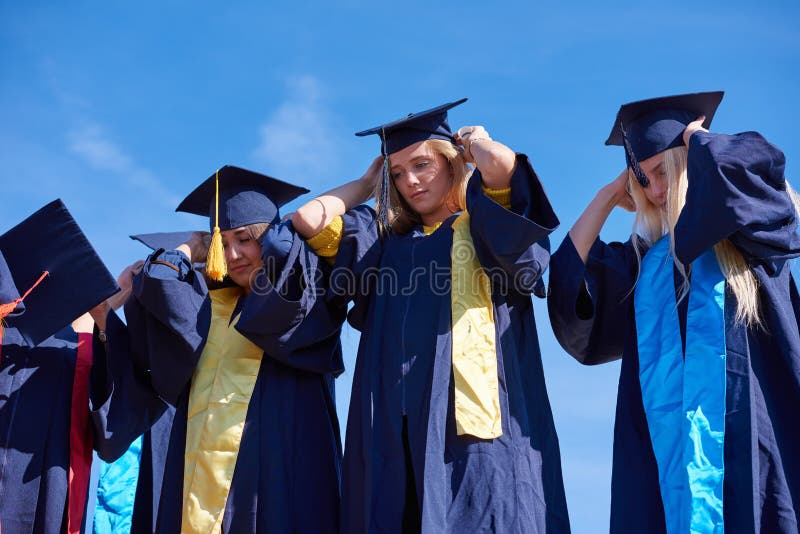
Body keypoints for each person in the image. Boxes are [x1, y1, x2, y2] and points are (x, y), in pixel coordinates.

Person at [292, 99, 570, 533]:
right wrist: (367, 186)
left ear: (452, 161)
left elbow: (503, 166)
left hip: (470, 424)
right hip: (391, 426)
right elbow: (307, 219)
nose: (411, 181)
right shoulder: (381, 244)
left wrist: (476, 142)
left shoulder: (483, 224)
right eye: (398, 174)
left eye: (422, 165)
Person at [547, 91, 800, 532]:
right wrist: (609, 194)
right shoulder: (646, 266)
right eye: (642, 180)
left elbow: (745, 174)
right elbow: (570, 282)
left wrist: (696, 138)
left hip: (751, 439)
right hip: (667, 462)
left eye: (663, 170)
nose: (656, 190)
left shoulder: (749, 234)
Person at [95, 166, 344, 533]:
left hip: (278, 471)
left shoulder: (299, 296)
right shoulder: (207, 311)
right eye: (221, 245)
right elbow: (160, 285)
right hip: (203, 485)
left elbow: (298, 240)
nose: (234, 254)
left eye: (245, 238)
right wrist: (187, 249)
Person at [0, 199, 129, 534]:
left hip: (50, 494)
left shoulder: (85, 349)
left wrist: (105, 322)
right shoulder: (6, 334)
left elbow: (111, 436)